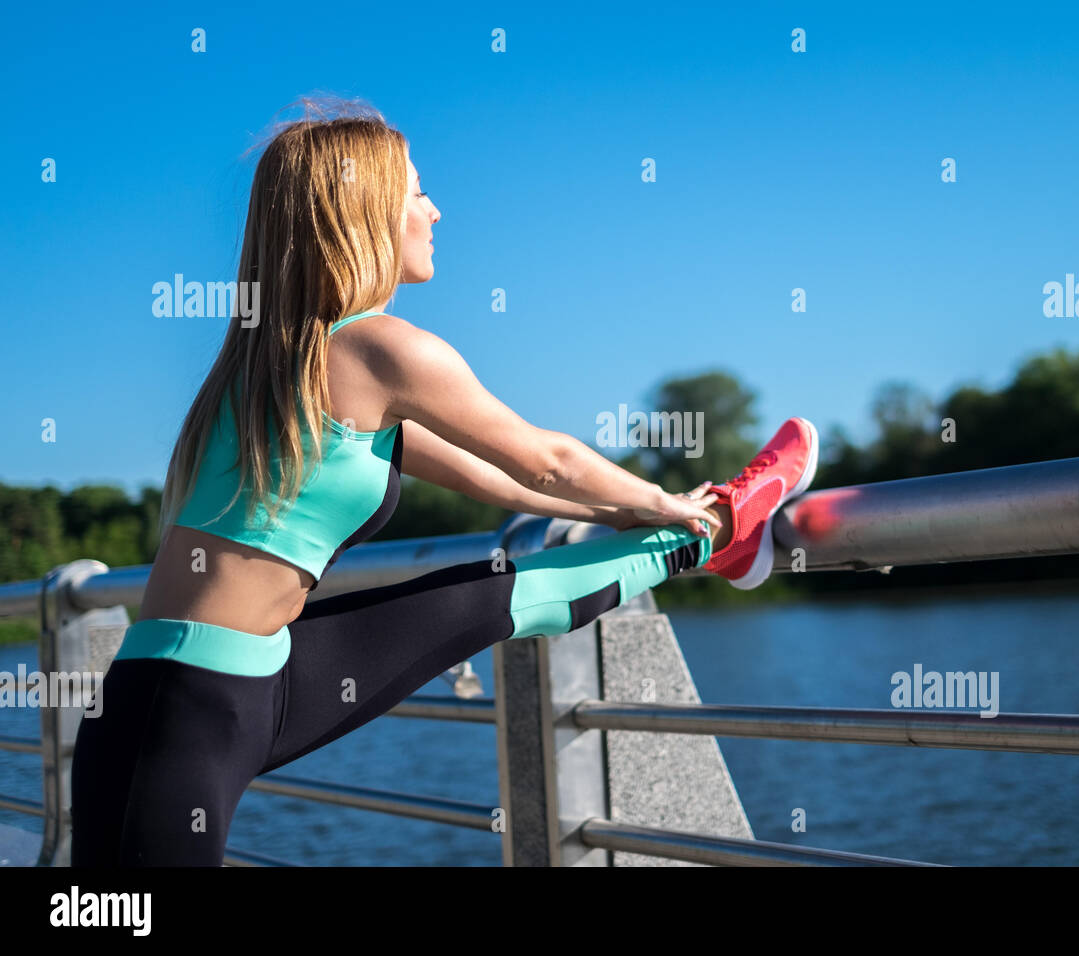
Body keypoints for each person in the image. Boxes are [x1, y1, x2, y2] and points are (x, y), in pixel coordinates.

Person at [70, 98, 818, 866]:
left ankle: (723, 530)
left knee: (489, 598)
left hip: (265, 677)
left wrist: (659, 513)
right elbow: (545, 459)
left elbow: (514, 483)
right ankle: (717, 527)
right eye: (418, 191)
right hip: (176, 710)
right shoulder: (374, 351)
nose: (436, 210)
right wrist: (658, 499)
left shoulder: (294, 369)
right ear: (363, 213)